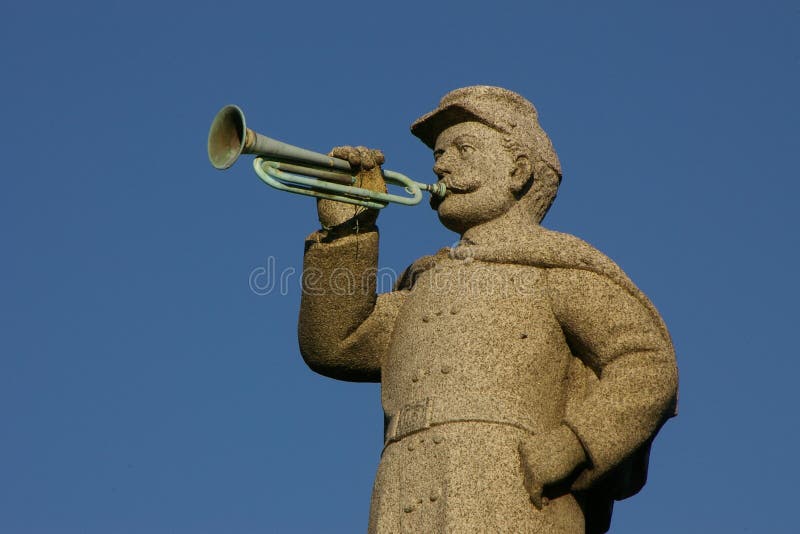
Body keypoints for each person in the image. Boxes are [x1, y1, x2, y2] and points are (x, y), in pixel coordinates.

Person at [297, 86, 678, 534]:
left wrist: (576, 443)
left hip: (507, 491)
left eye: (463, 149)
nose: (441, 164)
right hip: (403, 490)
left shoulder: (554, 264)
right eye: (439, 153)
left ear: (517, 171)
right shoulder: (428, 279)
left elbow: (647, 363)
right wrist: (347, 231)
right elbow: (335, 343)